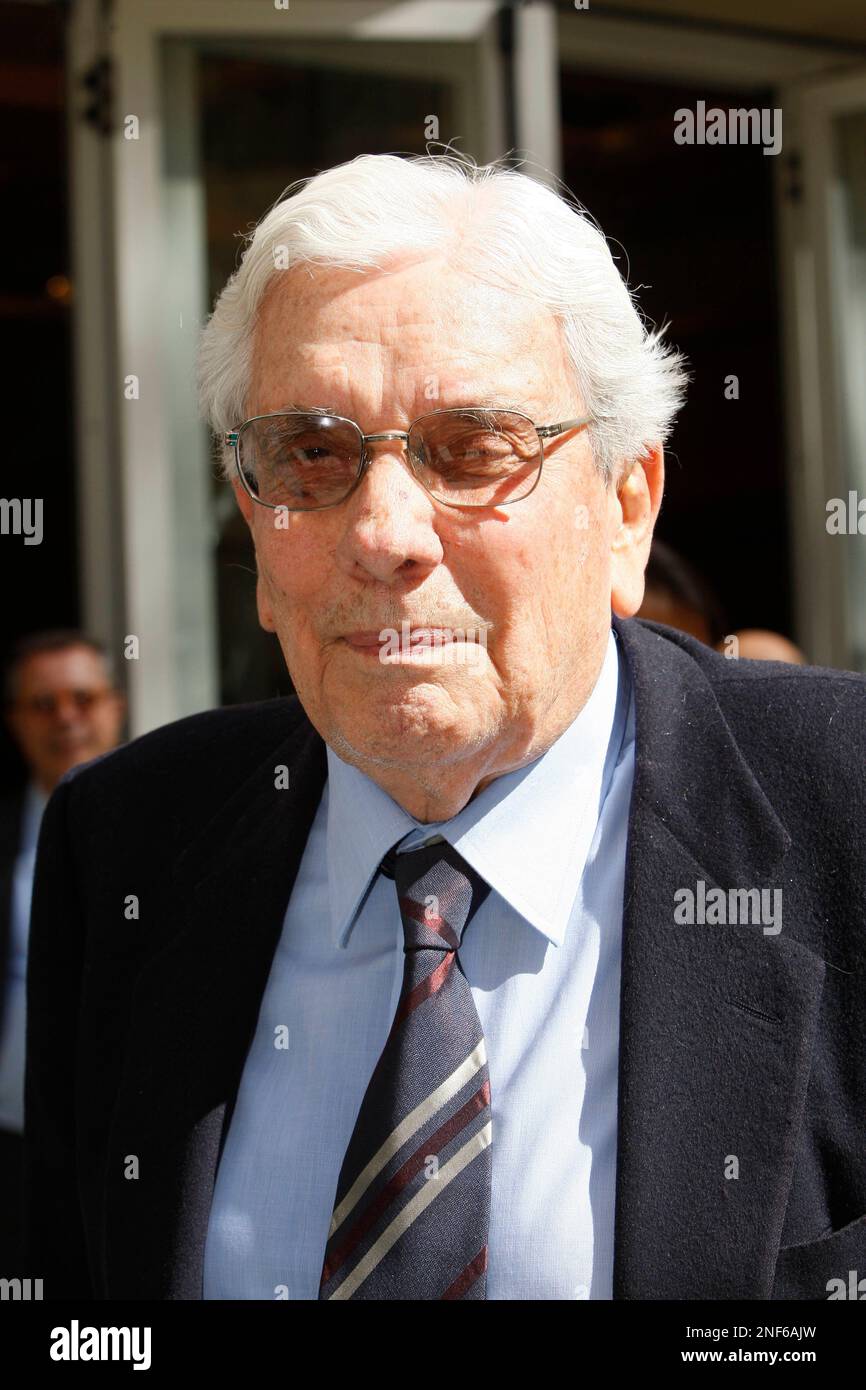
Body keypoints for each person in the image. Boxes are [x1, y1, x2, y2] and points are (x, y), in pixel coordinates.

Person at [24, 152, 866, 1301]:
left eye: (470, 448)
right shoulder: (125, 842)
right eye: (311, 455)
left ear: (626, 508)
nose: (384, 532)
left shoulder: (844, 807)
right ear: (256, 533)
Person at [0, 631, 125, 1273]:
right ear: (16, 722)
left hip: (131, 1145)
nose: (67, 718)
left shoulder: (172, 830)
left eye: (83, 697)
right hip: (13, 1146)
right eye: (43, 704)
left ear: (116, 706)